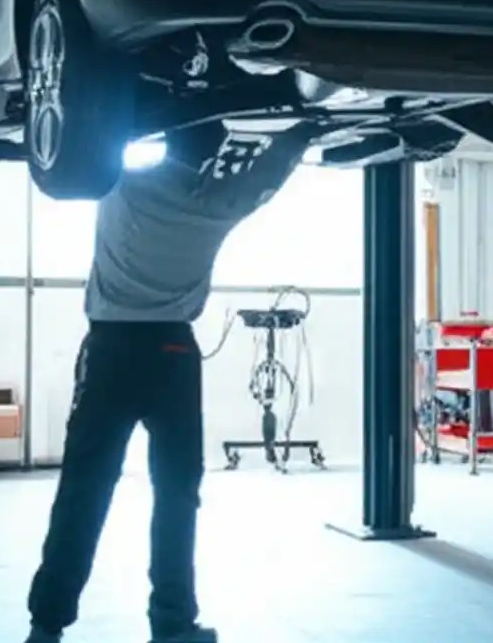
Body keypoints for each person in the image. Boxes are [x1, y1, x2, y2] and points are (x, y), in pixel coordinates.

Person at [24, 121, 320, 643]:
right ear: (210, 157)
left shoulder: (117, 186)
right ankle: (172, 625)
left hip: (110, 350)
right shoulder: (217, 205)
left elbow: (85, 142)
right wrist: (301, 131)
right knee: (177, 494)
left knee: (84, 489)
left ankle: (47, 624)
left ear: (167, 146)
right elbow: (269, 174)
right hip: (173, 353)